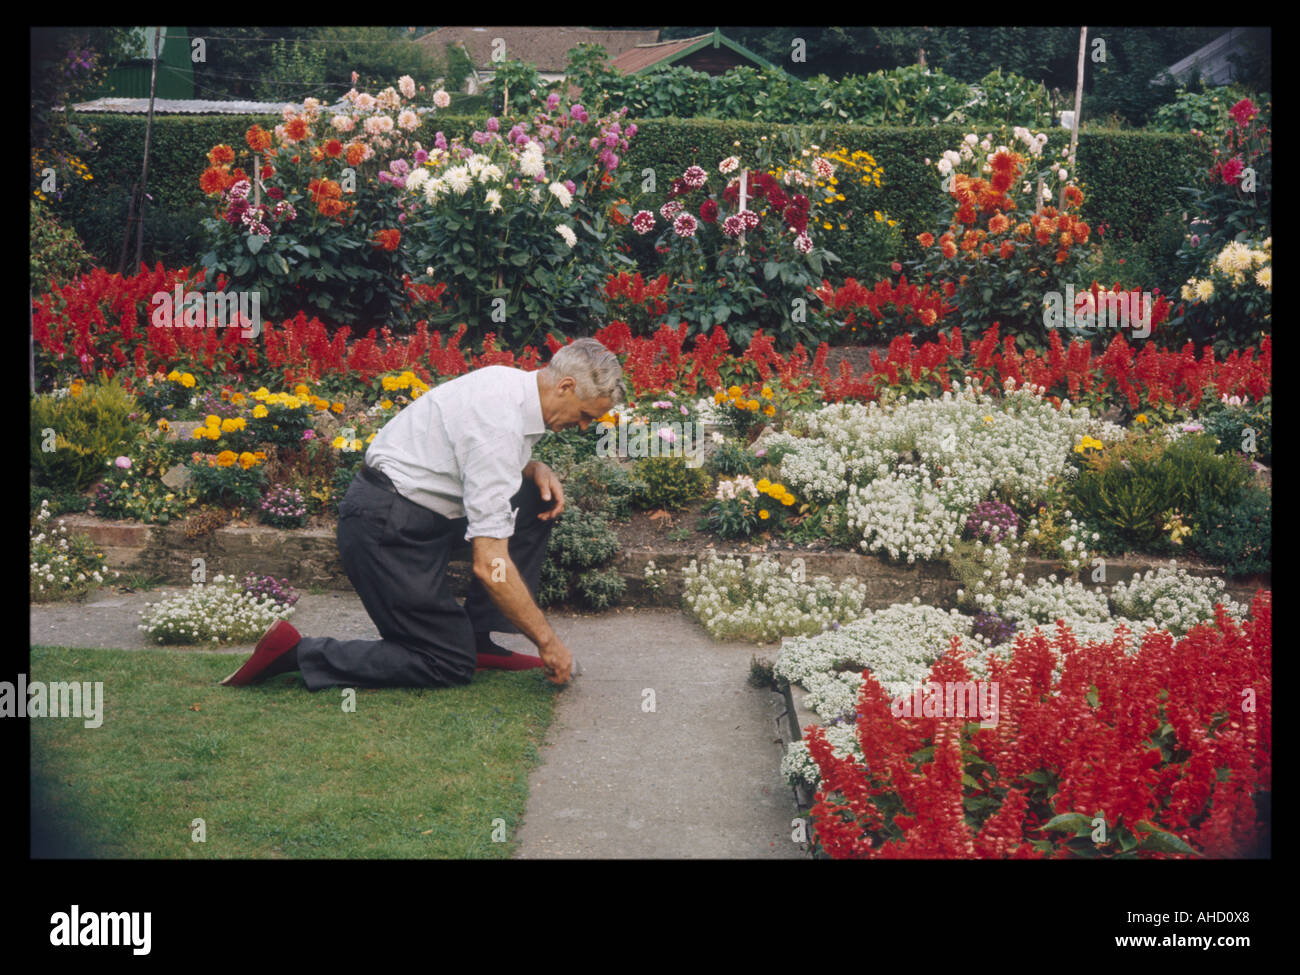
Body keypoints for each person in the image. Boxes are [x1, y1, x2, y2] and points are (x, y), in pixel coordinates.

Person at [220, 338, 624, 690]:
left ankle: (479, 640)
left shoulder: (512, 386)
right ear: (566, 387)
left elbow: (470, 453)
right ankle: (295, 652)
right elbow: (491, 564)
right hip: (385, 529)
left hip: (416, 512)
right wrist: (547, 642)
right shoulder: (499, 424)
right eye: (587, 415)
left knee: (532, 500)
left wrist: (531, 466)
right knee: (446, 662)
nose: (586, 427)